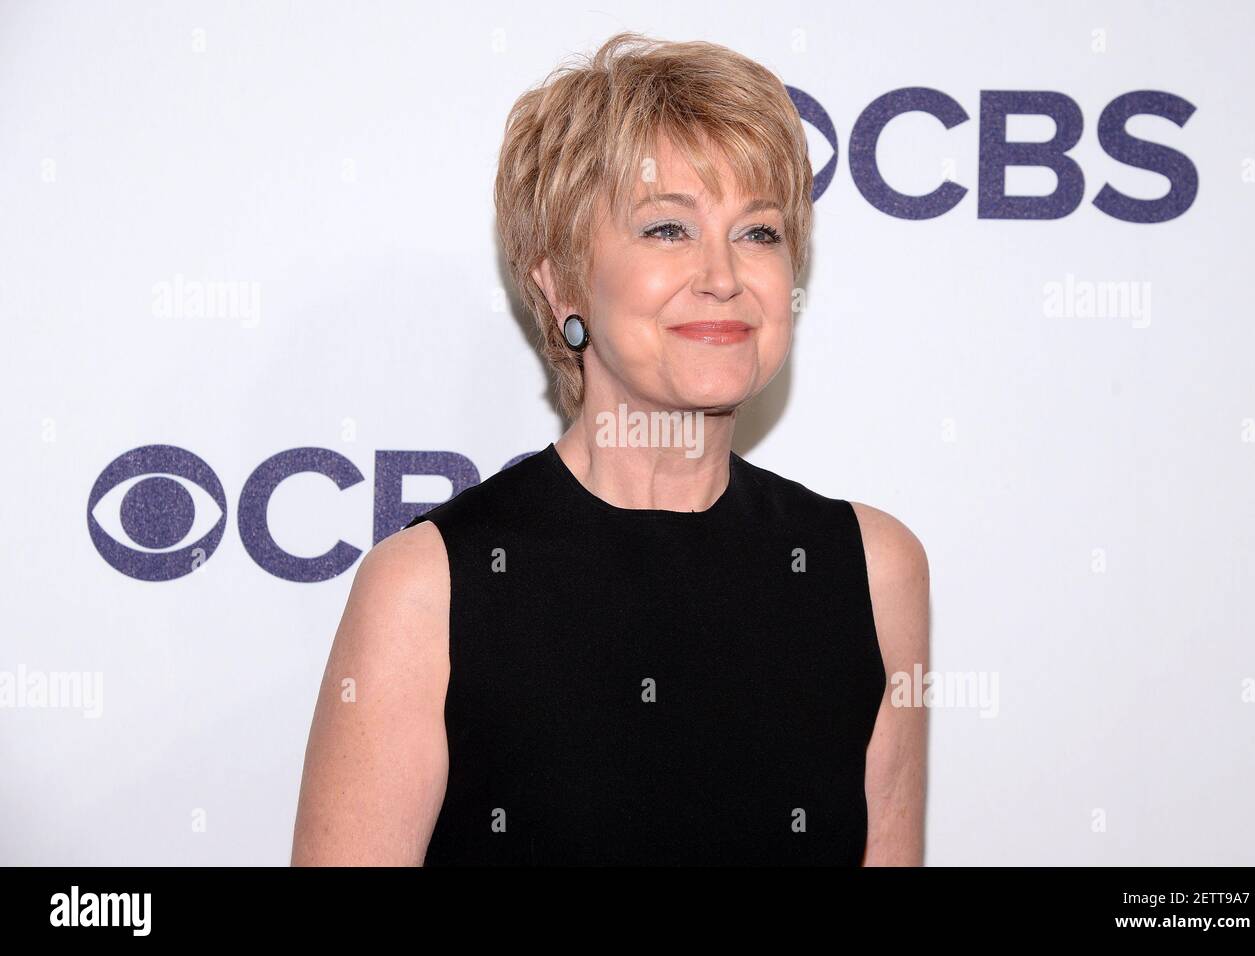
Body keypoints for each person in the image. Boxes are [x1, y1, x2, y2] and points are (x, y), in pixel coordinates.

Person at [291, 31, 929, 866]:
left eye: (759, 233)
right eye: (668, 229)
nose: (723, 275)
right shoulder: (428, 590)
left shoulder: (873, 569)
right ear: (560, 285)